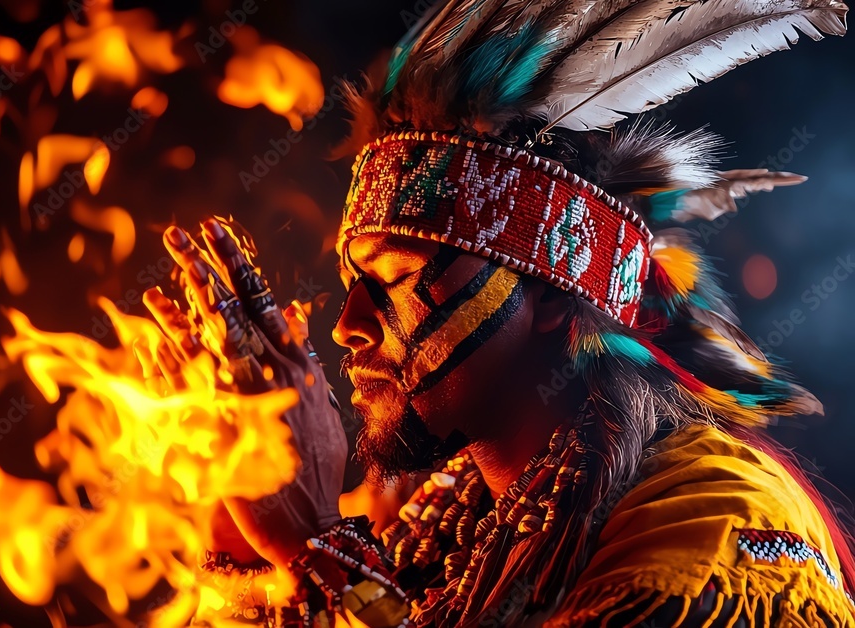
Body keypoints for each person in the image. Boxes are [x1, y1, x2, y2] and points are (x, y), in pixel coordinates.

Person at [143, 0, 855, 625]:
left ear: (548, 294)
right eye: (353, 281)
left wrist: (313, 542)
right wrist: (242, 514)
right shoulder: (445, 518)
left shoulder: (724, 527)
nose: (346, 325)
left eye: (393, 281)